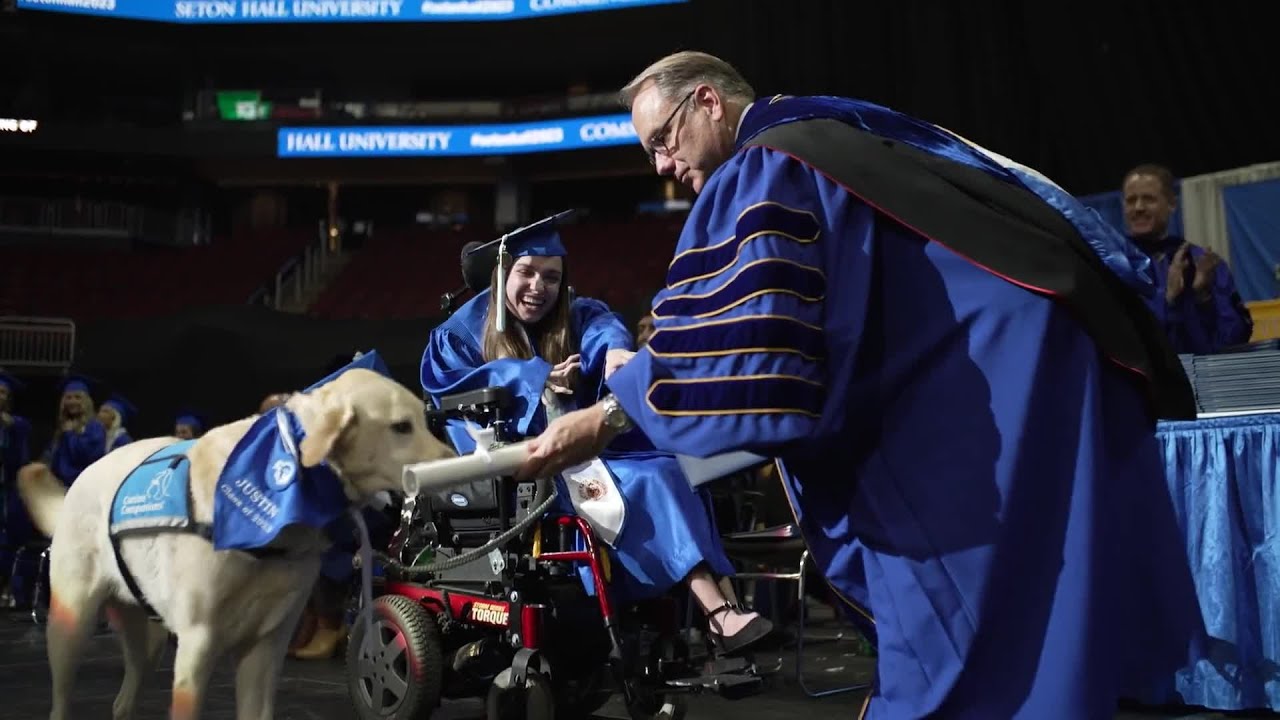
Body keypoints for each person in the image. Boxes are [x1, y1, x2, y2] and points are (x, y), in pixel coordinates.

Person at [516, 51, 1204, 719]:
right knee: (1047, 593)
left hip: (977, 387)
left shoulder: (766, 165)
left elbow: (741, 354)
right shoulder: (837, 132)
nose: (664, 165)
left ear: (707, 100)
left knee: (960, 627)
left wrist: (604, 417)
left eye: (663, 140)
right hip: (1046, 354)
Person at [421, 214, 771, 654]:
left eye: (551, 276)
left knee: (676, 468)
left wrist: (614, 353)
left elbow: (602, 328)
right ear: (502, 272)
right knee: (654, 479)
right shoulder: (459, 334)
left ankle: (722, 610)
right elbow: (456, 395)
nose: (538, 287)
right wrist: (538, 379)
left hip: (586, 458)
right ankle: (719, 614)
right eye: (526, 273)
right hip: (526, 470)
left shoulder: (571, 313)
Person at [1122, 163, 1253, 354]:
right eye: (1131, 200)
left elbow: (1235, 338)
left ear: (1172, 204)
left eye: (1149, 199)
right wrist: (1167, 299)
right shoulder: (1113, 265)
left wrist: (1203, 297)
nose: (1139, 207)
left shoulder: (1201, 262)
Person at [0, 370, 34, 608]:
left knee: (6, 543)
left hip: (5, 492)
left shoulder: (16, 425)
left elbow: (19, 461)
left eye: (2, 392)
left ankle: (7, 589)